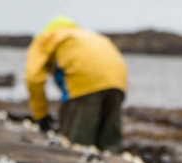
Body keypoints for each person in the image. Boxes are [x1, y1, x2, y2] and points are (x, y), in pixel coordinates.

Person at [25, 16, 127, 151]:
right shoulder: (91, 36)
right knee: (110, 143)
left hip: (84, 84)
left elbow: (33, 78)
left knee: (77, 144)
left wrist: (41, 115)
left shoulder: (48, 37)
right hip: (118, 82)